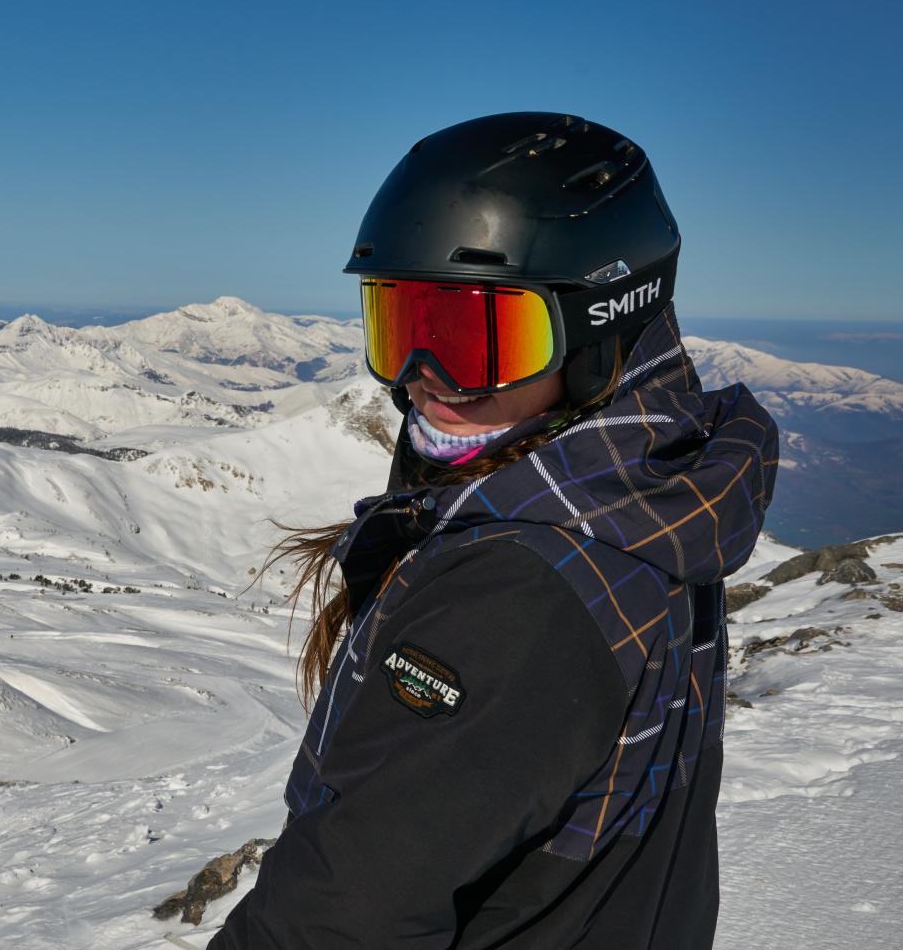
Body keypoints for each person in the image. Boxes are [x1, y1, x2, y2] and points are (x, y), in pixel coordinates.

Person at [210, 113, 780, 948]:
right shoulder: (654, 499)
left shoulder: (512, 596)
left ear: (598, 329)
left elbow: (334, 923)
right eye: (401, 327)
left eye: (478, 336)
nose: (424, 378)